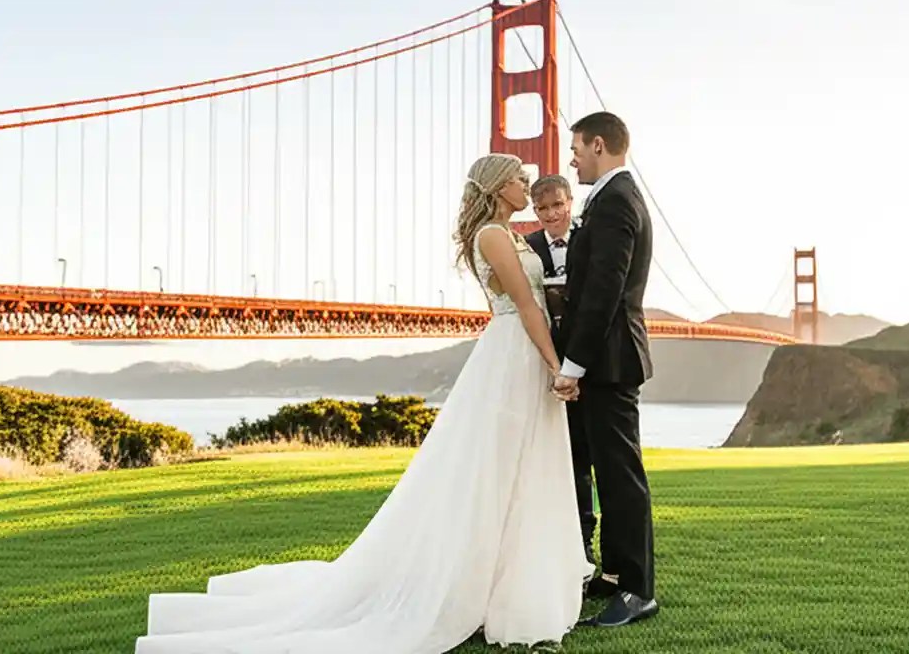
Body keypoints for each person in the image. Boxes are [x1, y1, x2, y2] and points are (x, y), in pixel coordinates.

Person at [134, 153, 593, 654]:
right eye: (519, 178)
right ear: (497, 186)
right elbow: (524, 305)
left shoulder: (509, 233)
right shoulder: (492, 235)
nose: (527, 183)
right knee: (500, 470)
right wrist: (557, 367)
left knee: (524, 469)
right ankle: (486, 588)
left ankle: (506, 585)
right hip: (515, 357)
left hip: (520, 353)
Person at [552, 111, 658, 628]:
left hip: (609, 363)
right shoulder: (611, 199)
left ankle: (638, 590)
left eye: (575, 148)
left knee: (620, 477)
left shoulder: (616, 202)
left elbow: (604, 292)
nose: (570, 158)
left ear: (599, 145)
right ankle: (614, 574)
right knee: (607, 474)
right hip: (608, 361)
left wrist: (573, 364)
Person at [523, 175, 596, 565]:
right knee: (549, 458)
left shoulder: (590, 239)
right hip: (543, 365)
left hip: (586, 366)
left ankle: (585, 544)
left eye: (557, 205)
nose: (552, 214)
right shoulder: (527, 247)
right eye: (542, 208)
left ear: (570, 202)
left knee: (580, 458)